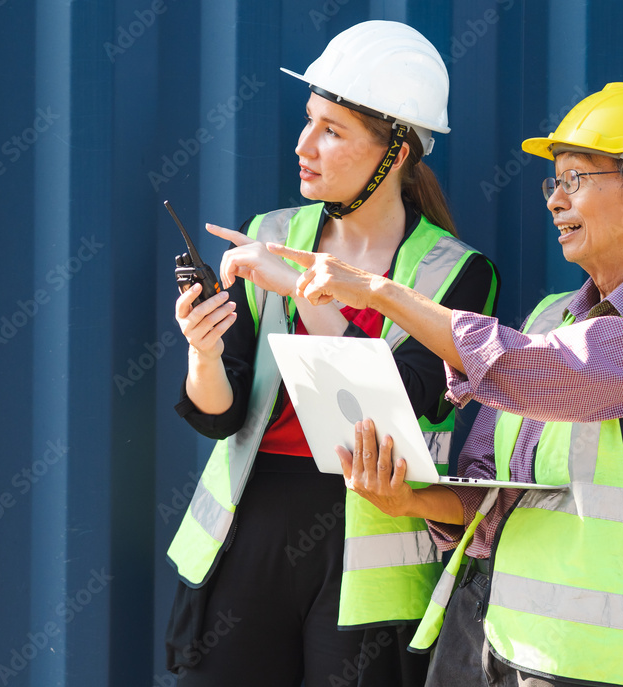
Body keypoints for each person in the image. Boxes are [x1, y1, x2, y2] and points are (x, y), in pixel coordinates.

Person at [270, 82, 623, 687]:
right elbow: (492, 495)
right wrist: (407, 500)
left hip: (590, 668)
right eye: (554, 183)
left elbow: (546, 375)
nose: (554, 201)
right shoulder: (550, 318)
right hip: (484, 640)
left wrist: (378, 292)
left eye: (575, 179)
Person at [164, 20, 500, 687]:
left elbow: (393, 406)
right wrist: (203, 353)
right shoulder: (272, 233)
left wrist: (300, 286)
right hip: (251, 530)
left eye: (332, 130)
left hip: (369, 554)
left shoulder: (456, 275)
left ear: (396, 151)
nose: (304, 146)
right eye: (309, 122)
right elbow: (220, 415)